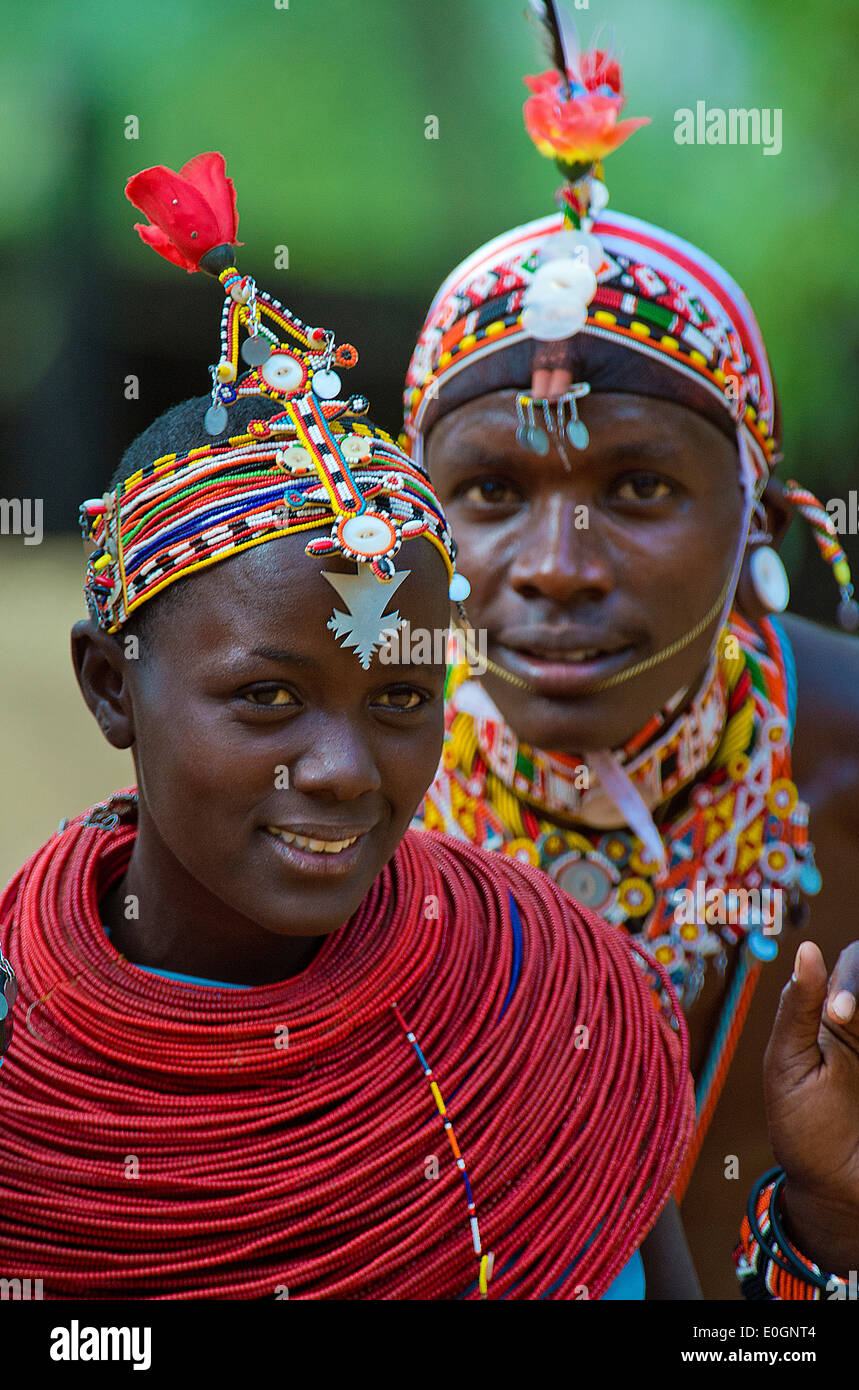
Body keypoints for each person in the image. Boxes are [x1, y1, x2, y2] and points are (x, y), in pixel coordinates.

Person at [0, 151, 699, 1301]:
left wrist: (822, 1238)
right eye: (267, 697)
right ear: (111, 686)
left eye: (398, 700)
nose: (339, 771)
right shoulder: (25, 1074)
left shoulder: (551, 998)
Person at [403, 4, 859, 1296]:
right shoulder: (319, 795)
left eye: (640, 490)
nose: (554, 563)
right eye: (489, 493)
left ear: (760, 523)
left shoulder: (852, 770)